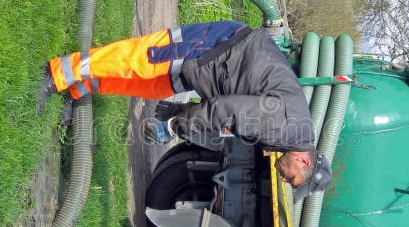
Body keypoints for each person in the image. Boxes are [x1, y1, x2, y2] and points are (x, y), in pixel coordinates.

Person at [37, 20, 332, 201]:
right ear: (304, 162)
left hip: (218, 69)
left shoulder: (288, 136)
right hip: (216, 49)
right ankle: (57, 74)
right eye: (293, 180)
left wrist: (182, 112)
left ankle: (78, 88)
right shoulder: (284, 127)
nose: (285, 180)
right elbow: (225, 110)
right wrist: (173, 128)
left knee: (152, 86)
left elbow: (232, 120)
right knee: (142, 60)